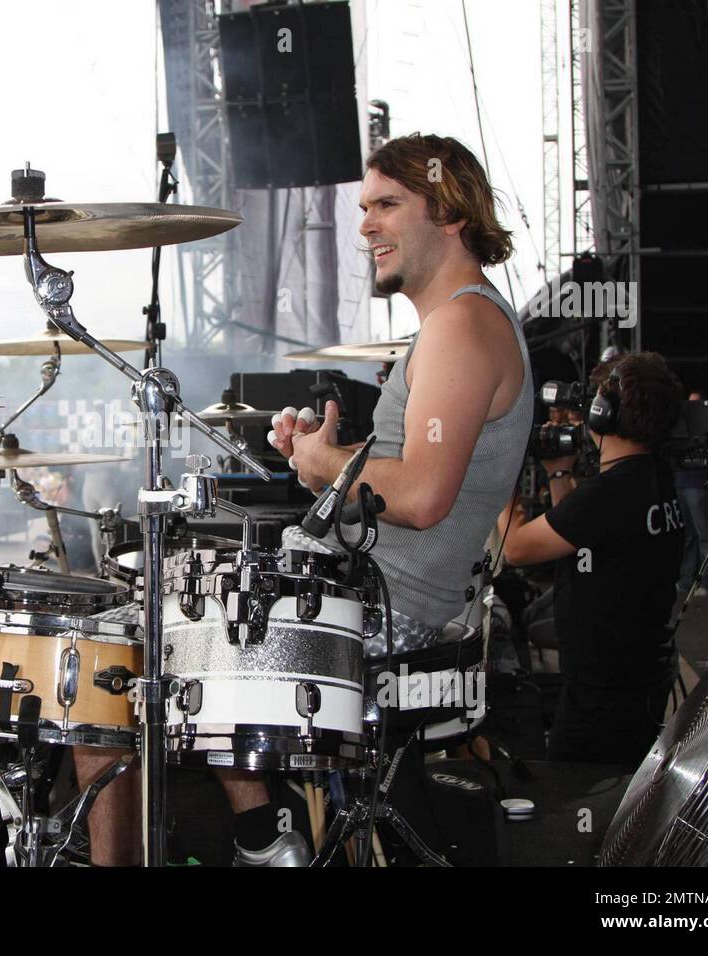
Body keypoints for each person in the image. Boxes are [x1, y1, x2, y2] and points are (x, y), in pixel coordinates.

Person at [267, 131, 533, 859]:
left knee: (150, 668)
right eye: (363, 207)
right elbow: (407, 471)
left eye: (386, 204)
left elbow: (419, 497)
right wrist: (325, 454)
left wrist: (327, 466)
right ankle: (271, 837)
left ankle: (263, 837)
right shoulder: (454, 325)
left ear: (447, 210)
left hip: (388, 616)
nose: (365, 226)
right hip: (366, 594)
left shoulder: (461, 326)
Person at [496, 352, 685, 766]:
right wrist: (559, 474)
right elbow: (577, 537)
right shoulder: (654, 478)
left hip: (600, 693)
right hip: (638, 680)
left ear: (605, 414)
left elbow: (516, 548)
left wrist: (501, 481)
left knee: (568, 798)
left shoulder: (611, 493)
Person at [675, 390, 708, 596]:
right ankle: (685, 581)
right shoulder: (681, 426)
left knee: (704, 536)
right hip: (682, 485)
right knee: (688, 536)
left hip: (698, 486)